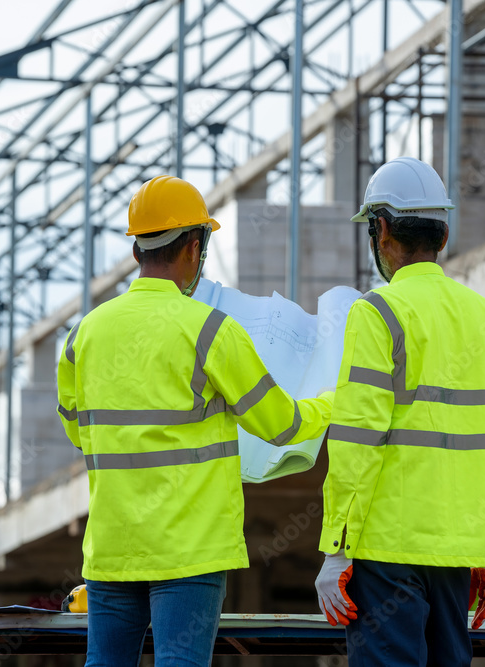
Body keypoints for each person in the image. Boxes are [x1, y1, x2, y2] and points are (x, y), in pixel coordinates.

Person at [57, 175, 334, 667]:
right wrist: (331, 402)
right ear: (193, 245)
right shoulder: (210, 330)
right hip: (191, 553)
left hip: (113, 548)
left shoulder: (86, 334)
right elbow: (281, 427)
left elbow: (79, 431)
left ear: (139, 246)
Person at [313, 157, 485, 666]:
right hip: (458, 554)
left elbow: (357, 439)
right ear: (443, 233)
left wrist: (337, 546)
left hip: (387, 550)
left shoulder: (378, 313)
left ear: (380, 230)